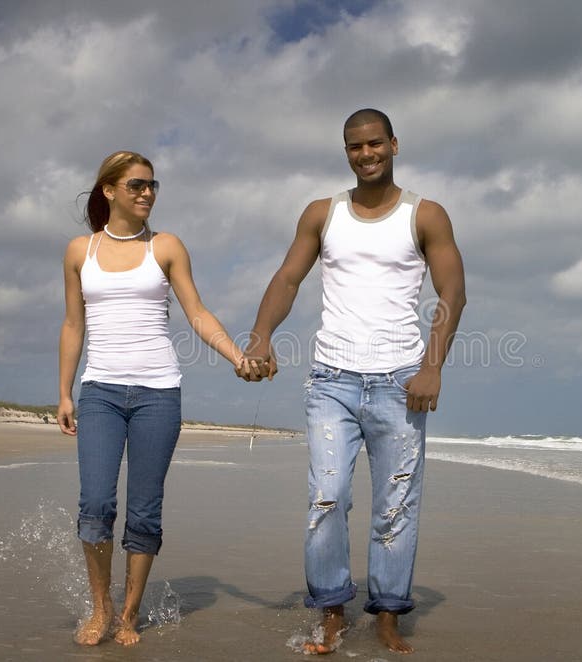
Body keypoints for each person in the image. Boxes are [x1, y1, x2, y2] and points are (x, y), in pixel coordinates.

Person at [238, 109, 466, 654]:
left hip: (400, 382)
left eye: (374, 144)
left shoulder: (425, 214)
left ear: (393, 144)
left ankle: (388, 613)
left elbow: (451, 292)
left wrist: (431, 365)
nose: (365, 154)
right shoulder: (323, 213)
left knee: (396, 504)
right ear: (346, 151)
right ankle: (331, 611)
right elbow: (288, 277)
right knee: (326, 496)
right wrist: (261, 336)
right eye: (354, 147)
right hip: (331, 381)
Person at [57, 150, 256, 647]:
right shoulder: (81, 251)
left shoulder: (166, 247)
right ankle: (100, 607)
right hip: (99, 390)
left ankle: (128, 614)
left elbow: (197, 312)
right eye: (136, 185)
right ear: (109, 190)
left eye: (152, 186)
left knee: (144, 510)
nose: (147, 193)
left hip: (158, 392)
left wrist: (237, 356)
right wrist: (64, 391)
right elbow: (72, 324)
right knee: (97, 503)